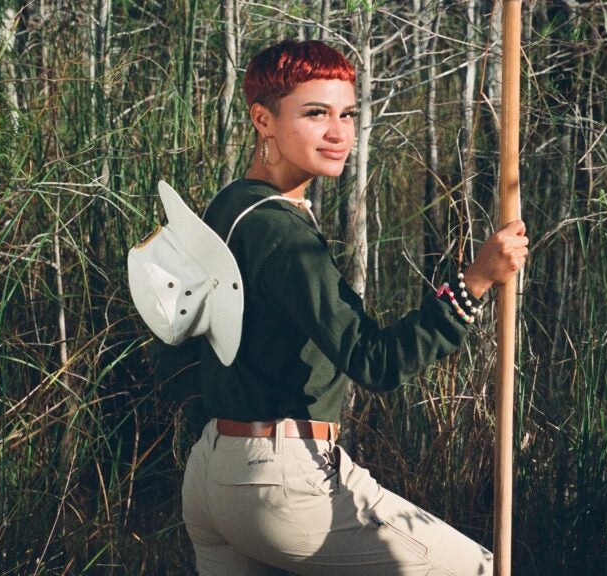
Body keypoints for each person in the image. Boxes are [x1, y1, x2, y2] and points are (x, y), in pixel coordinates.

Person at [180, 39, 529, 576]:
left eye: (347, 114)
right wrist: (477, 280)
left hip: (212, 472)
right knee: (482, 571)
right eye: (315, 113)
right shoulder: (281, 233)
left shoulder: (231, 204)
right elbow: (376, 361)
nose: (339, 132)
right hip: (280, 484)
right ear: (263, 120)